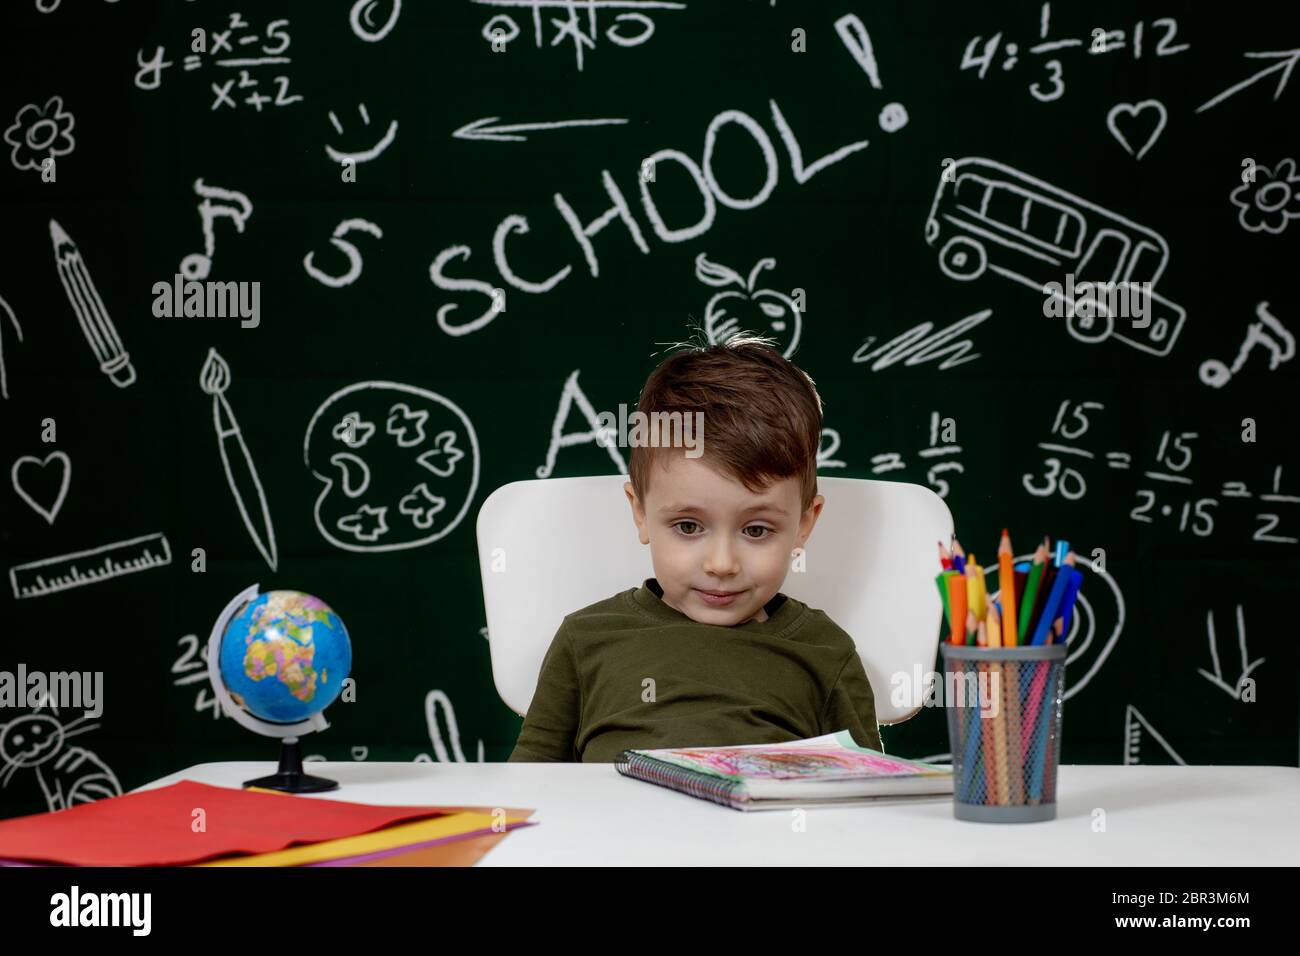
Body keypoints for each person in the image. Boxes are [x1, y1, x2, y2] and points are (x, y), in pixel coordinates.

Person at [509, 334, 882, 761]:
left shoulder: (826, 652)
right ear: (640, 513)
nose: (721, 564)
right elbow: (530, 784)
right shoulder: (585, 640)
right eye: (688, 526)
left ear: (803, 524)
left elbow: (867, 791)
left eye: (756, 530)